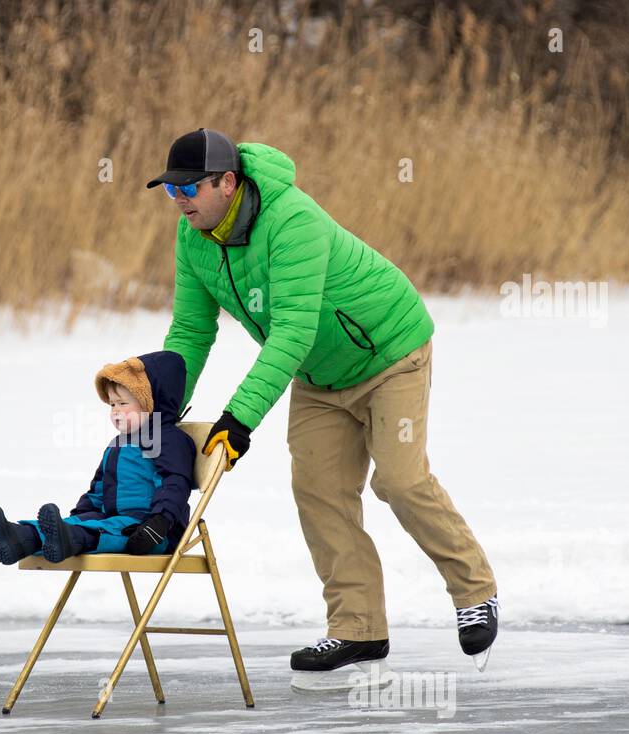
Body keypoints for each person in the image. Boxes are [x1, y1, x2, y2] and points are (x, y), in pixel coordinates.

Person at [148, 128, 500, 672]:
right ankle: (358, 628)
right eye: (172, 192)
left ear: (226, 182)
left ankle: (475, 592)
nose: (181, 201)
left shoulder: (292, 219)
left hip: (391, 351)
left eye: (189, 189)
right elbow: (192, 331)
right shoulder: (192, 237)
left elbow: (291, 329)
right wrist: (161, 406)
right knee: (319, 491)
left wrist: (238, 418)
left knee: (400, 480)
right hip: (318, 373)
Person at [0, 350, 196, 564]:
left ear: (151, 403)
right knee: (88, 524)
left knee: (103, 529)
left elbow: (174, 483)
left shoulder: (166, 439)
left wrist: (159, 522)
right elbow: (100, 487)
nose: (115, 411)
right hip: (113, 519)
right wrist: (82, 514)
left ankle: (69, 536)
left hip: (150, 530)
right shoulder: (119, 443)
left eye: (123, 404)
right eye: (112, 404)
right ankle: (20, 538)